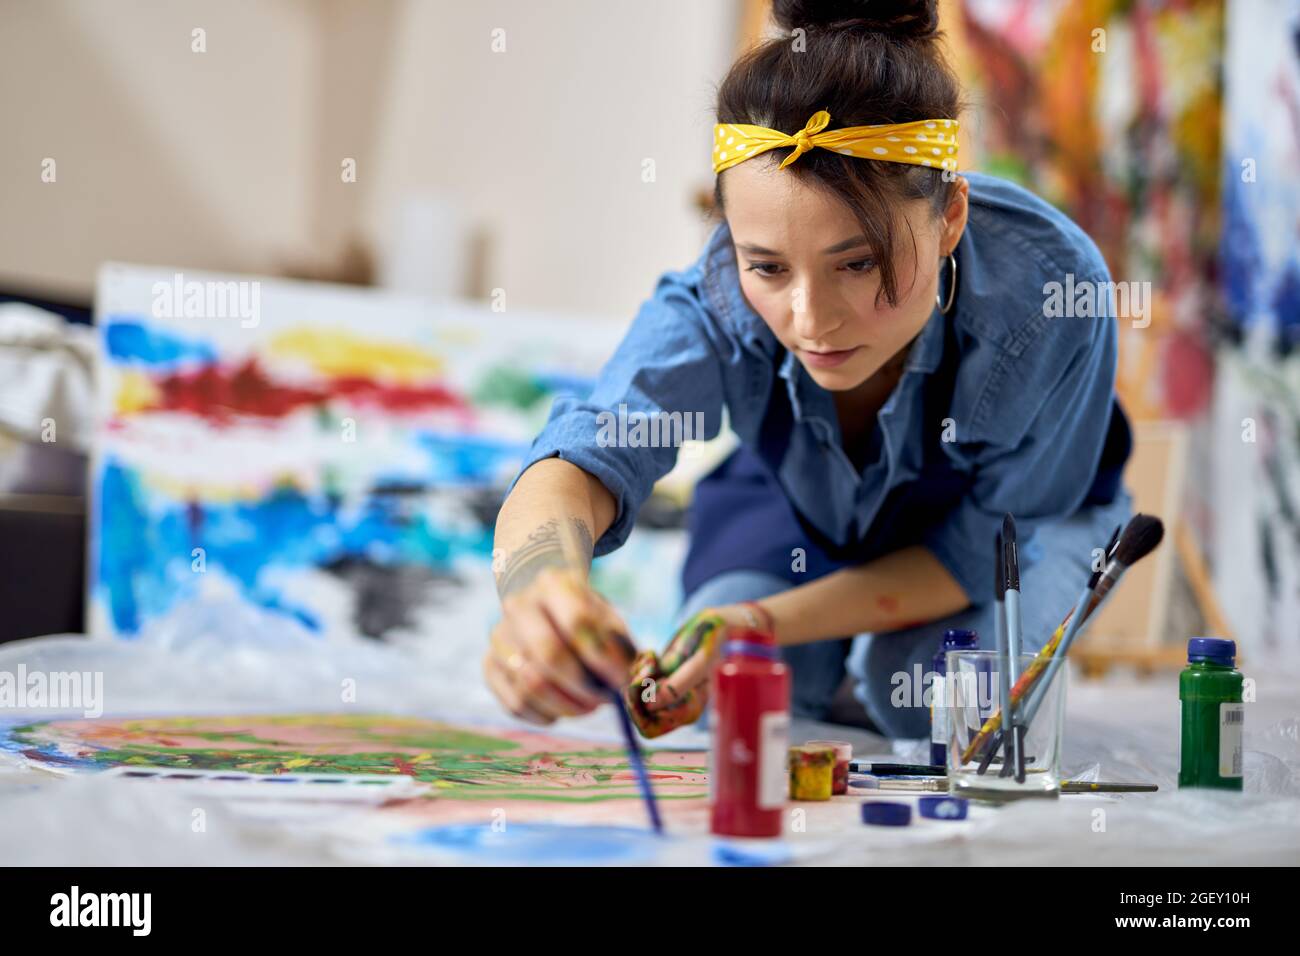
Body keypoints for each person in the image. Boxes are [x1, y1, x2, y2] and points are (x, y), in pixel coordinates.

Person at [484, 0, 1131, 739]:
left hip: (1017, 524)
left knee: (935, 698)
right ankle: (820, 672)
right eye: (766, 265)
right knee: (733, 690)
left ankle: (862, 675)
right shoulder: (716, 299)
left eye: (857, 263)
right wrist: (542, 590)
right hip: (804, 506)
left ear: (951, 215)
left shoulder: (1051, 294)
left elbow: (973, 552)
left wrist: (759, 619)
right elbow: (589, 455)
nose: (811, 319)